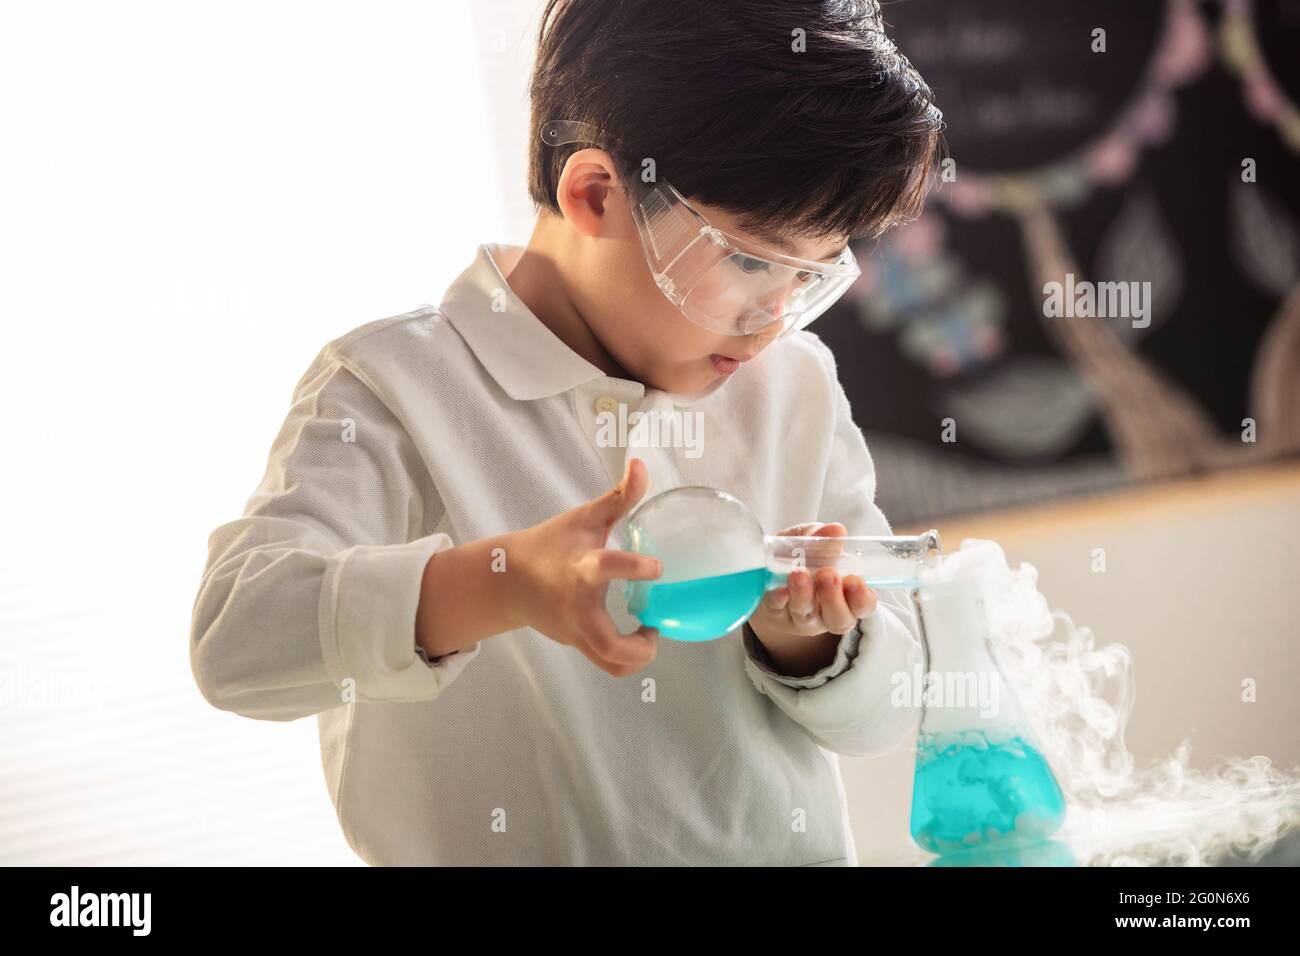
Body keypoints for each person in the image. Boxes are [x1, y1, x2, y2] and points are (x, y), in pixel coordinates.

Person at [191, 0, 944, 865]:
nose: (772, 319)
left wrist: (813, 644)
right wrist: (501, 585)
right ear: (594, 193)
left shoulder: (793, 387)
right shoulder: (393, 389)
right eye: (750, 260)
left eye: (811, 276)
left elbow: (891, 706)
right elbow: (235, 641)